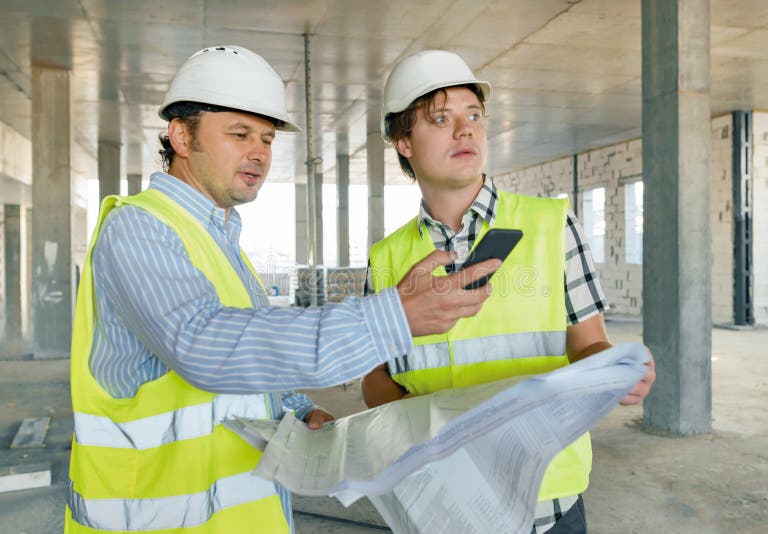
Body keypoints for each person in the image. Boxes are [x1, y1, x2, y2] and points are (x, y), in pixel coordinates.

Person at [65, 45, 500, 534]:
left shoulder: (220, 241)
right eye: (240, 134)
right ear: (180, 136)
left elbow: (248, 357)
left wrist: (295, 409)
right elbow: (203, 345)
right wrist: (390, 317)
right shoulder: (138, 229)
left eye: (267, 139)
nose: (259, 153)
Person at [361, 49, 656, 534]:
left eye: (473, 115)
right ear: (403, 140)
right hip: (439, 499)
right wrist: (424, 434)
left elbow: (588, 344)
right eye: (441, 118)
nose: (465, 130)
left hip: (545, 497)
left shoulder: (551, 225)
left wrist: (613, 371)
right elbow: (375, 380)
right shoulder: (386, 258)